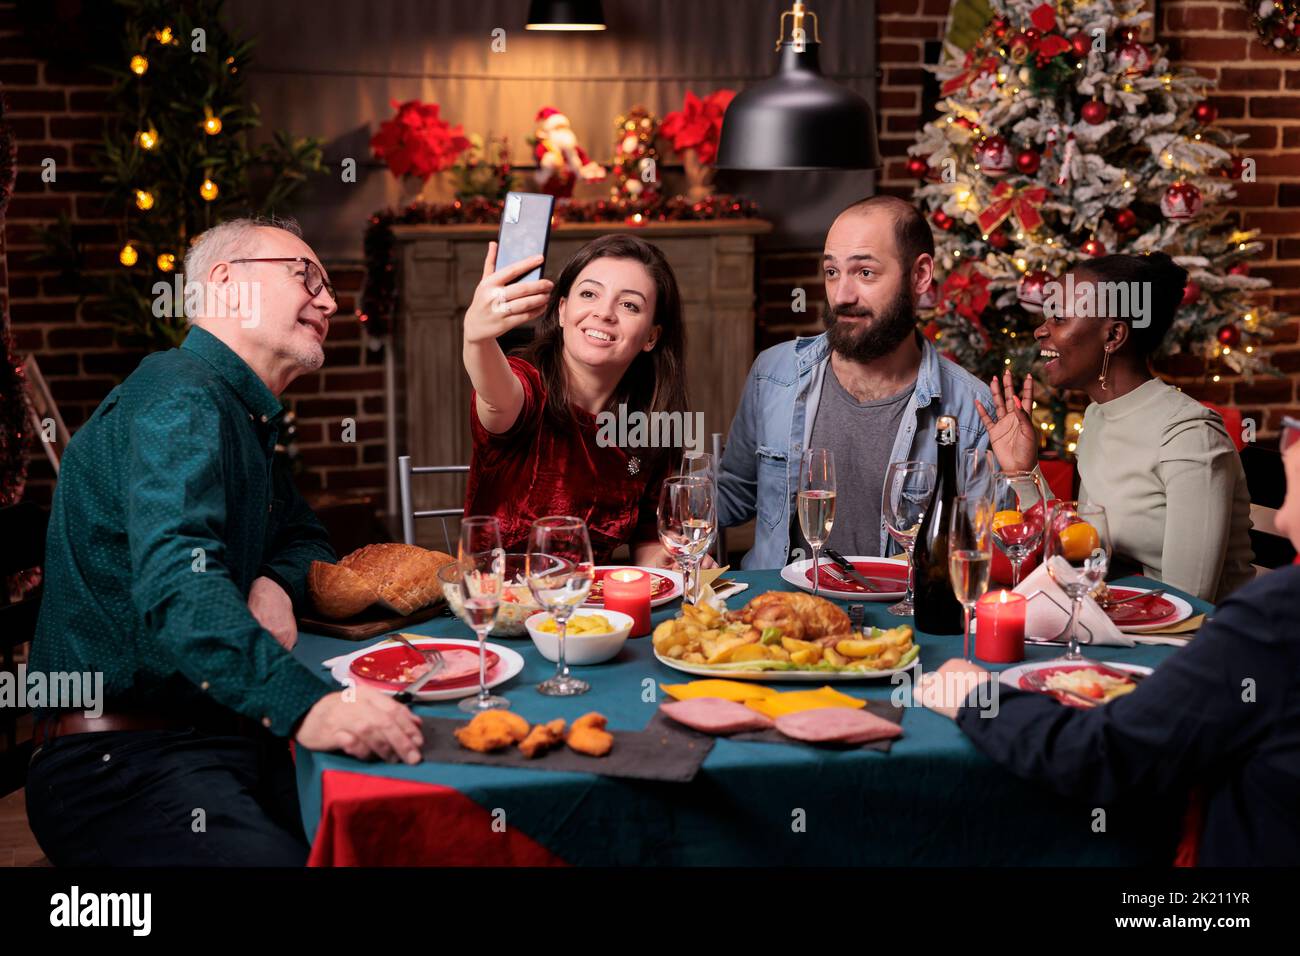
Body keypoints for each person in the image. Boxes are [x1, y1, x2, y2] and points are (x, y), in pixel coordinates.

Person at [26, 217, 424, 867]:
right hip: (118, 767)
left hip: (220, 741)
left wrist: (272, 583)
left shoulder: (239, 413)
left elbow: (306, 537)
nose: (328, 300)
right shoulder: (180, 393)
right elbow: (179, 584)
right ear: (226, 283)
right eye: (306, 277)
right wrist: (308, 708)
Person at [916, 436, 1300, 866]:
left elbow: (1103, 754)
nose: (1287, 445)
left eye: (1295, 433)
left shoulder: (1278, 615)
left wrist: (979, 700)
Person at [717, 195, 994, 569]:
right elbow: (734, 494)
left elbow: (983, 547)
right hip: (781, 611)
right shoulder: (774, 373)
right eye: (832, 272)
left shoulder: (970, 408)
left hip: (899, 619)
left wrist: (1024, 475)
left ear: (920, 275)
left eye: (865, 272)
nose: (842, 296)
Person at [977, 253, 1254, 602]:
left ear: (1113, 335)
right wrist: (1023, 473)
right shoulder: (1098, 415)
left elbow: (1189, 605)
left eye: (1060, 317)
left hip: (1199, 640)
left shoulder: (1189, 435)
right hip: (1123, 618)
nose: (1041, 330)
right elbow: (1079, 551)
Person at [461, 233, 692, 566]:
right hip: (500, 607)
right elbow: (496, 396)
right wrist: (477, 337)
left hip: (594, 611)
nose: (604, 313)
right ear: (562, 311)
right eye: (589, 294)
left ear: (652, 336)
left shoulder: (650, 423)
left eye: (629, 305)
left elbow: (649, 539)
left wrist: (671, 559)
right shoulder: (525, 388)